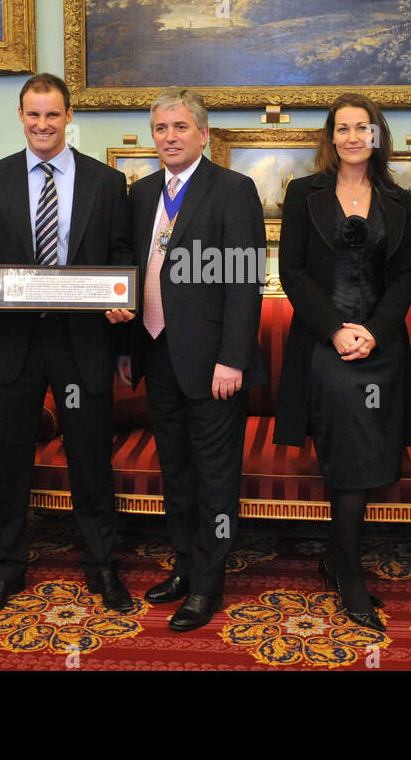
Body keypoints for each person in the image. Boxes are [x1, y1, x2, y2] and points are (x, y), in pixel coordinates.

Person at [0, 74, 136, 617]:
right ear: (20, 115)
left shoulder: (107, 182)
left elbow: (121, 253)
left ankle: (102, 567)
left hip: (82, 340)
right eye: (33, 115)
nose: (42, 124)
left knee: (90, 459)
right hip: (16, 343)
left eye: (52, 115)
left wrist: (121, 301)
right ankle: (5, 569)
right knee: (11, 458)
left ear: (68, 116)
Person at [274, 93, 411, 633]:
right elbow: (293, 274)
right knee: (348, 451)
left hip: (381, 346)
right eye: (343, 128)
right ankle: (349, 572)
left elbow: (406, 275)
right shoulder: (302, 194)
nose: (354, 137)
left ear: (377, 136)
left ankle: (338, 558)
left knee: (374, 452)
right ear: (330, 137)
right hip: (324, 344)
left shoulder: (400, 198)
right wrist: (336, 330)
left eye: (364, 128)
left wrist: (374, 333)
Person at [128, 87, 266, 632]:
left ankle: (208, 585)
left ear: (204, 134)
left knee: (214, 478)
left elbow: (245, 281)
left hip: (214, 365)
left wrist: (232, 359)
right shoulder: (140, 194)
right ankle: (184, 566)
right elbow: (134, 277)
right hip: (157, 353)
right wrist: (128, 351)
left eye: (180, 127)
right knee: (176, 472)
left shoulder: (233, 190)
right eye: (161, 128)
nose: (170, 137)